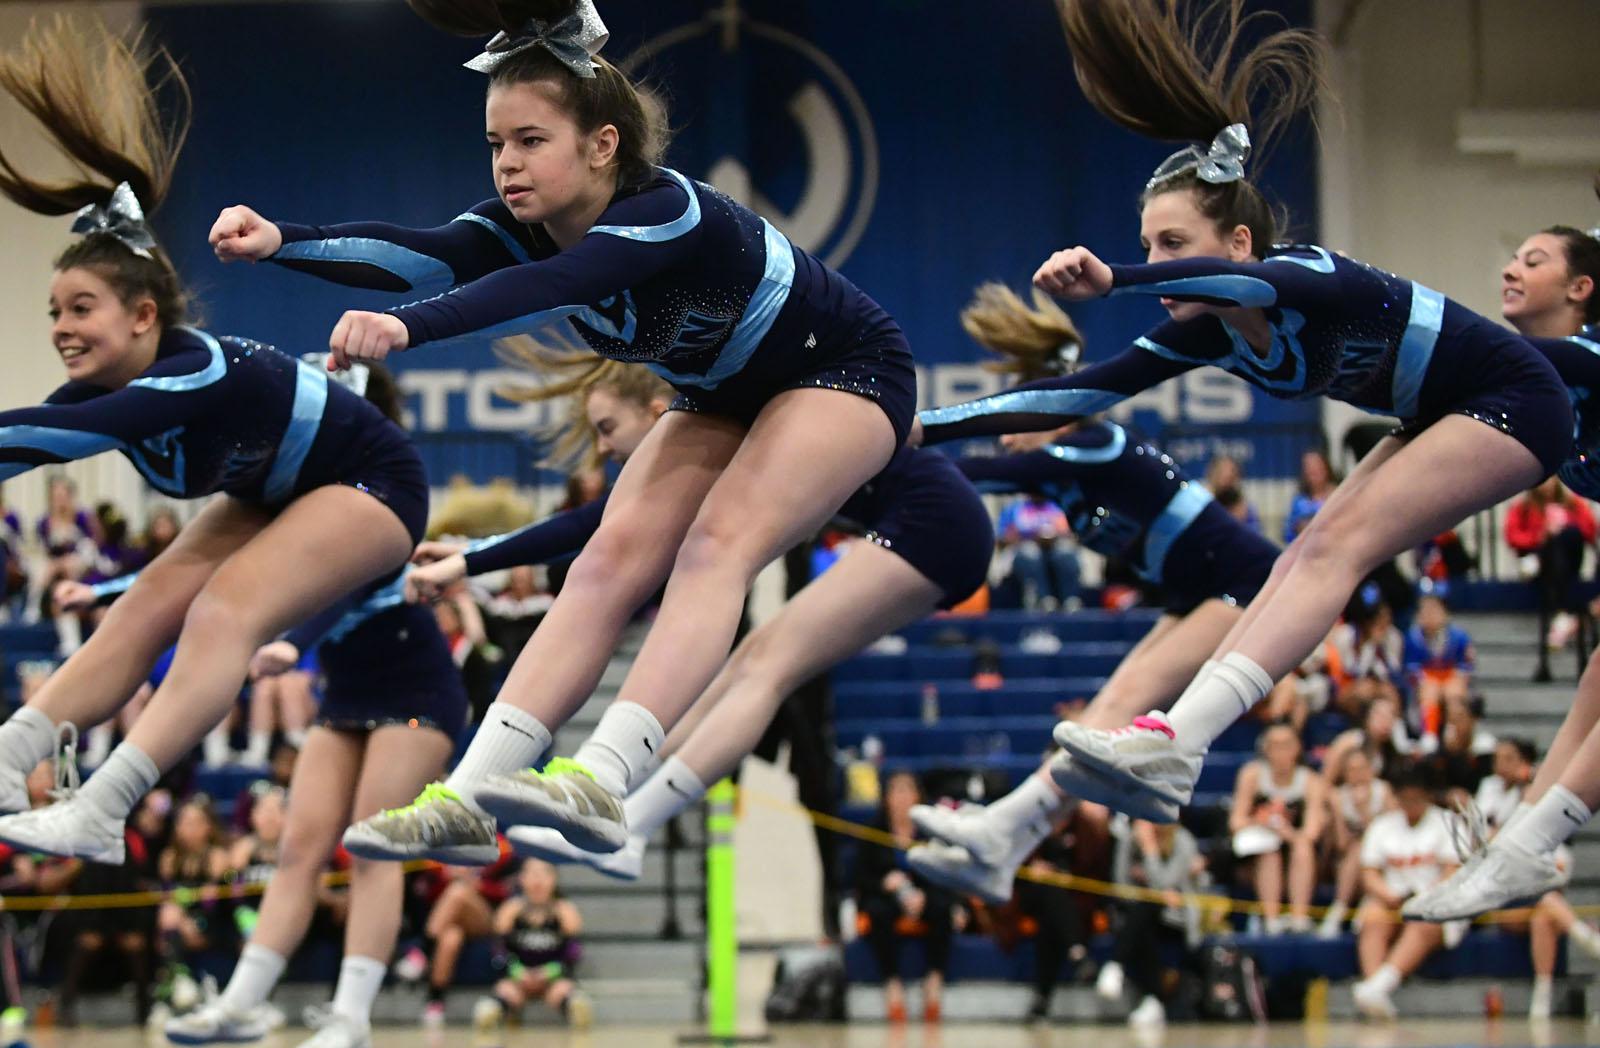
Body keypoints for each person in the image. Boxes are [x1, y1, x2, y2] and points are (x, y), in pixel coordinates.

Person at [210, 0, 919, 859]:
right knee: (603, 564)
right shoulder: (529, 224)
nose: (508, 164)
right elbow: (424, 252)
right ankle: (469, 798)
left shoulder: (663, 212)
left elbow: (550, 286)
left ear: (603, 145)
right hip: (723, 392)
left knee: (714, 545)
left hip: (843, 368)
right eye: (496, 145)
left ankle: (607, 775)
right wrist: (283, 240)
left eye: (531, 141)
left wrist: (410, 329)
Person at [917, 0, 1571, 824]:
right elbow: (1069, 397)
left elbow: (1245, 286)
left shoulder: (1300, 274)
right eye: (1148, 243)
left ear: (1235, 244)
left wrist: (1119, 278)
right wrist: (914, 429)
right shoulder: (1216, 338)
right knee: (1308, 554)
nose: (1159, 262)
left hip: (1512, 400)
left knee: (1331, 545)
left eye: (1174, 245)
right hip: (1439, 414)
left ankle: (1171, 747)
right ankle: (1171, 746)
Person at [0, 19, 428, 868]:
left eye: (80, 308)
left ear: (143, 316)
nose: (61, 330)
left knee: (220, 612)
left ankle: (104, 804)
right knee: (142, 608)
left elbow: (45, 439)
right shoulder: (105, 392)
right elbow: (32, 439)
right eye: (54, 312)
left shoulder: (188, 375)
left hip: (374, 483)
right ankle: (11, 760)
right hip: (274, 491)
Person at [382, 351, 992, 882]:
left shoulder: (716, 434)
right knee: (744, 667)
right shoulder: (715, 437)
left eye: (606, 427)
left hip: (934, 524)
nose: (602, 447)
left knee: (768, 667)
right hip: (916, 522)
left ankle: (636, 821)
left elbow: (589, 527)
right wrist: (474, 558)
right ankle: (628, 814)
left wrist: (474, 559)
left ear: (656, 414)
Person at [157, 363, 468, 1048]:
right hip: (349, 694)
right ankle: (240, 1003)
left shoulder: (386, 490)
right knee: (299, 845)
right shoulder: (302, 498)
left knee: (370, 842)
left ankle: (352, 1018)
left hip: (415, 688)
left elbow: (349, 588)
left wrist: (289, 644)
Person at [1351, 767, 1464, 1020]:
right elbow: (1369, 873)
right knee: (1372, 917)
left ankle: (1378, 987)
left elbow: (1452, 871)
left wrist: (1425, 896)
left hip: (1434, 901)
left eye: (1416, 798)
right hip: (1392, 899)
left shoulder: (1447, 822)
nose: (1410, 804)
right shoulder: (1382, 825)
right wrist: (1388, 894)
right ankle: (1374, 995)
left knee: (1423, 924)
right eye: (1405, 798)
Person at [471, 859, 591, 1033]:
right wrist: (517, 971)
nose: (538, 881)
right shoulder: (511, 910)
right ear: (522, 878)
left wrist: (549, 971)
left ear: (554, 879)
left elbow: (573, 953)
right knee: (506, 990)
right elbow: (498, 950)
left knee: (562, 990)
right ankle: (496, 1009)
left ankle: (574, 1008)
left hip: (552, 977)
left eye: (544, 874)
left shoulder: (564, 910)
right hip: (518, 976)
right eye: (532, 874)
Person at [1228, 724, 1324, 934]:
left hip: (1293, 845)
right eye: (1275, 746)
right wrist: (1262, 821)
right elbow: (1236, 821)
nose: (1281, 752)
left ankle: (1299, 917)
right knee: (1269, 852)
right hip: (1257, 849)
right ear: (1265, 749)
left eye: (1287, 745)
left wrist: (1286, 831)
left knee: (1303, 847)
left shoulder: (1310, 781)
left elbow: (1312, 831)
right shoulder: (1252, 775)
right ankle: (1271, 919)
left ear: (1297, 748)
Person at [1319, 747, 1393, 938]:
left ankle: (1352, 907)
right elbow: (1341, 843)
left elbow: (1391, 838)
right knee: (1356, 850)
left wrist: (1365, 812)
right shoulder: (1337, 796)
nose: (1357, 774)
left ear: (1371, 769)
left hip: (1384, 861)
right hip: (1346, 862)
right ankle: (1340, 909)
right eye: (1352, 769)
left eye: (1362, 768)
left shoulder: (1383, 791)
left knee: (1363, 848)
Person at [1283, 449, 1339, 543]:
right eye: (1308, 467)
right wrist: (1298, 528)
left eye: (1317, 466)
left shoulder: (1338, 495)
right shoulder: (1299, 501)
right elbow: (1287, 533)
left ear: (1326, 468)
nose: (1312, 471)